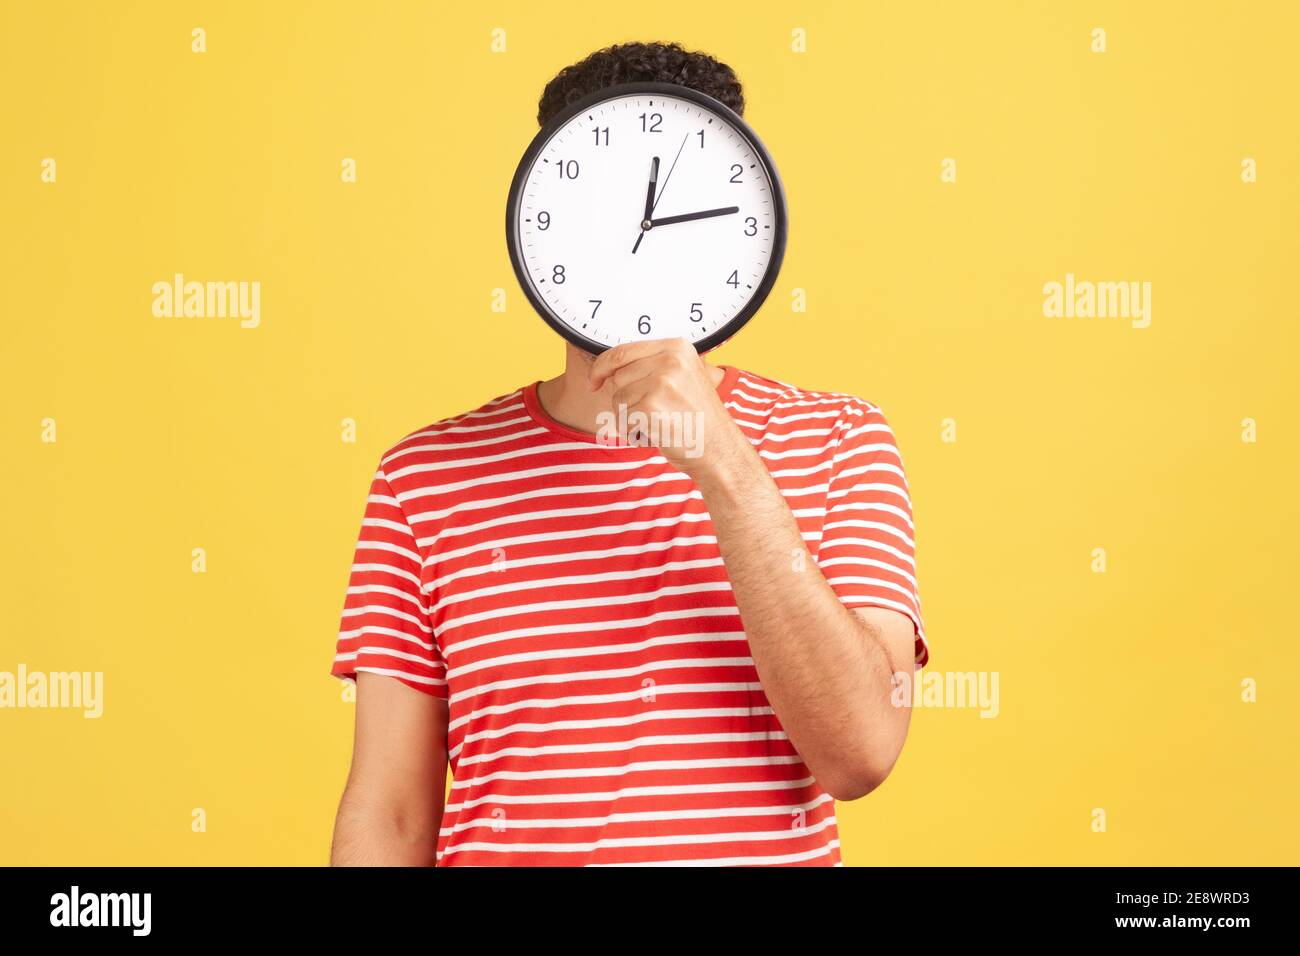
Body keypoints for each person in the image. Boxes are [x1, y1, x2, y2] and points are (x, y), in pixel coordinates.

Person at [329, 41, 928, 867]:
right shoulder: (422, 479)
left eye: (677, 210)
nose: (637, 240)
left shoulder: (841, 441)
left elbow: (861, 751)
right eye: (599, 208)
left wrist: (717, 454)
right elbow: (389, 817)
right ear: (539, 225)